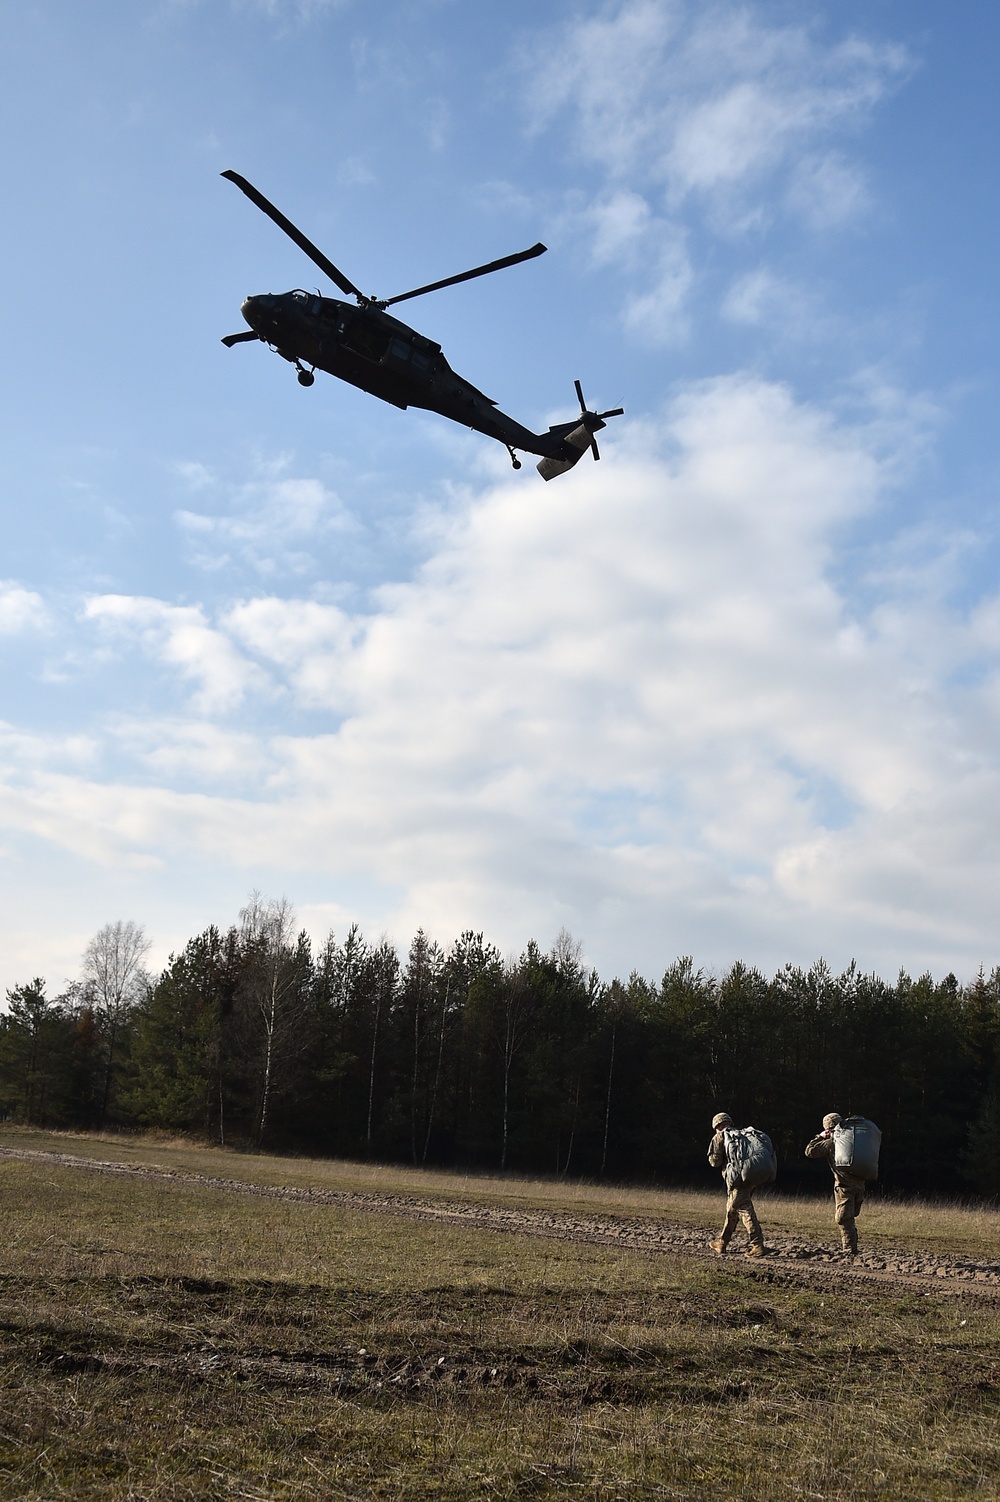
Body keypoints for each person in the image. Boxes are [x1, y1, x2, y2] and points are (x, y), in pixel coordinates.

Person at [805, 1112, 865, 1257]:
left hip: (843, 1186)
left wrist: (820, 1137)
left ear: (828, 1129)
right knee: (850, 1217)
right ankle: (852, 1247)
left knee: (843, 1218)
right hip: (860, 1185)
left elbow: (809, 1151)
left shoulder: (832, 1142)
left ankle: (850, 1250)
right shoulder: (854, 1139)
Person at [707, 1111, 765, 1257]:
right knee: (732, 1210)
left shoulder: (720, 1136)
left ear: (717, 1125)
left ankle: (757, 1244)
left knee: (745, 1209)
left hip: (737, 1181)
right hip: (750, 1177)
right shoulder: (742, 1135)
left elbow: (715, 1162)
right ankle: (722, 1242)